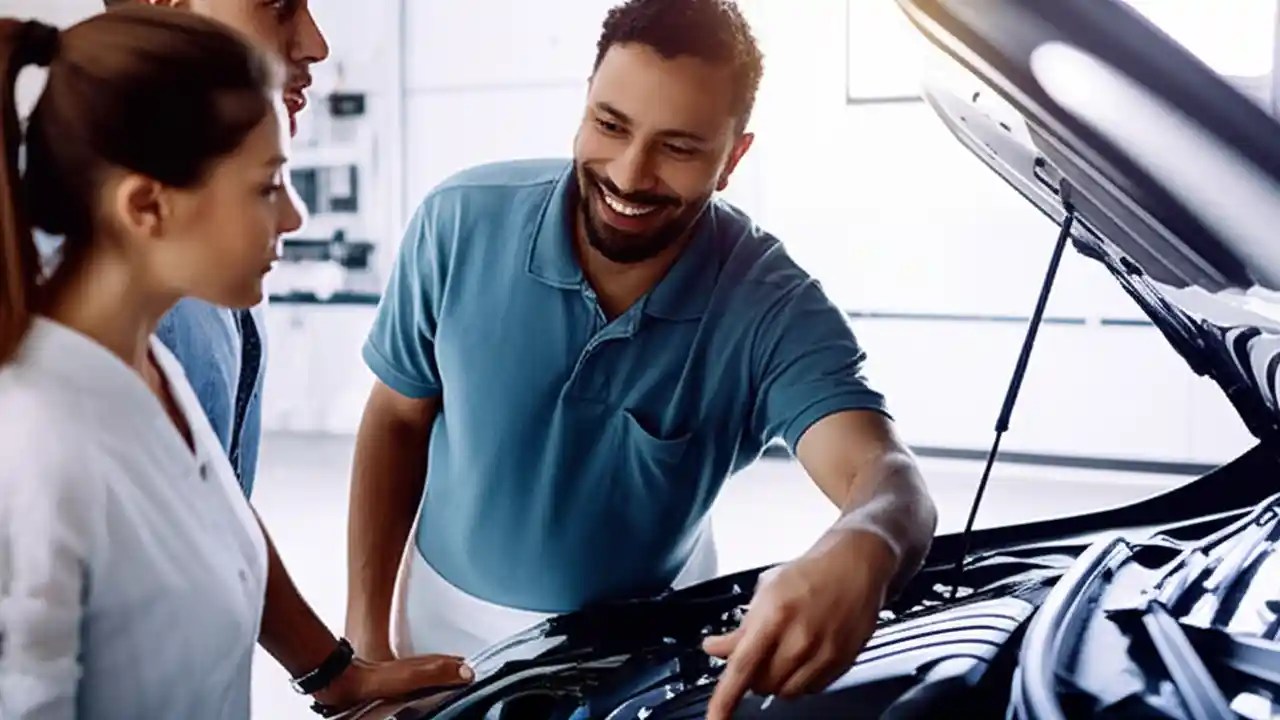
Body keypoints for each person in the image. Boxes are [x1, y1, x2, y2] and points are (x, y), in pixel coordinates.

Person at [344, 0, 938, 718]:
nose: (629, 173)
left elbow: (889, 477)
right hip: (442, 627)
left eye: (679, 147)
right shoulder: (458, 221)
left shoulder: (772, 305)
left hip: (642, 651)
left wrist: (863, 547)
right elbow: (398, 418)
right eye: (610, 125)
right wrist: (366, 643)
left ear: (732, 159)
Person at [0, 10, 470, 719]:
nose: (294, 218)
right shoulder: (36, 450)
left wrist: (337, 675)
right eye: (267, 185)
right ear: (147, 205)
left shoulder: (152, 366)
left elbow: (222, 533)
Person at [101, 0, 332, 498]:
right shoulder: (60, 257)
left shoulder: (217, 235)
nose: (317, 45)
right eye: (278, 6)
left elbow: (217, 510)